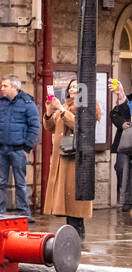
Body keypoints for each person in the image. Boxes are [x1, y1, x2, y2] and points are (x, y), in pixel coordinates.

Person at [43, 77, 101, 239]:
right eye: (70, 87)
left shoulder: (89, 106)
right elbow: (50, 127)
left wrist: (61, 109)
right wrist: (49, 112)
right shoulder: (66, 106)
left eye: (75, 87)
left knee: (75, 196)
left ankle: (78, 232)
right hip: (63, 155)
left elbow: (80, 126)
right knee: (66, 195)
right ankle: (71, 230)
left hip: (77, 157)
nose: (71, 90)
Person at [0, 74, 40, 218]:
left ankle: (24, 213)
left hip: (18, 149)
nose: (1, 88)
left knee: (20, 183)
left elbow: (34, 126)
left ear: (15, 87)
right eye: (2, 85)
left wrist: (27, 147)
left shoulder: (28, 103)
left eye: (5, 85)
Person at [112, 80, 132, 216]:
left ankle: (128, 200)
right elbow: (114, 114)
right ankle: (126, 198)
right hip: (125, 142)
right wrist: (123, 123)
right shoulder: (127, 100)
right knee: (120, 168)